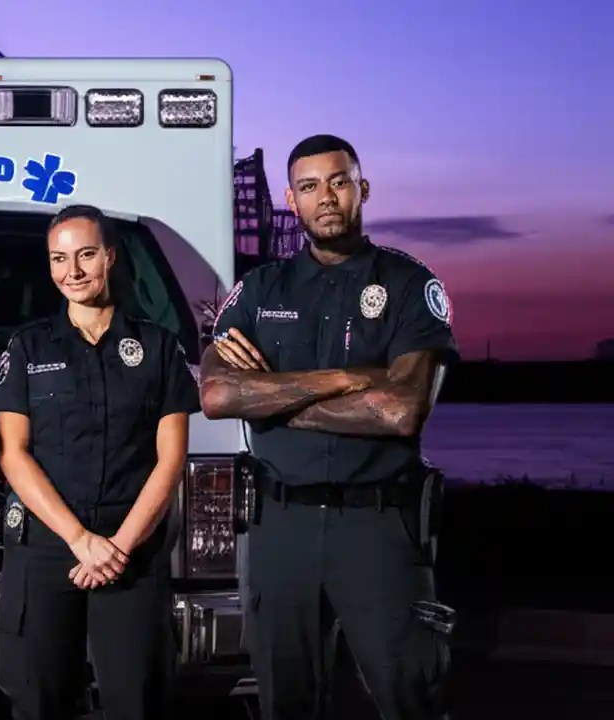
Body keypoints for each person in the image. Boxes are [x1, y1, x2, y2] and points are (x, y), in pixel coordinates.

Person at [200, 134, 459, 720]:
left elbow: (400, 411)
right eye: (309, 186)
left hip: (378, 528)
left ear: (362, 189)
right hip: (279, 528)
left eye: (339, 182)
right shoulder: (259, 290)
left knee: (409, 697)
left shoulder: (409, 285)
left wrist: (269, 398)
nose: (326, 197)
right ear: (291, 200)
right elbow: (217, 395)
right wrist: (345, 378)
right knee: (285, 701)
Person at [0, 204, 199, 720]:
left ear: (110, 257)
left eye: (86, 255)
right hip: (47, 547)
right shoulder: (28, 348)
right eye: (59, 259)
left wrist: (118, 547)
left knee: (138, 699)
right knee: (38, 697)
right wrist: (80, 540)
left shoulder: (158, 348)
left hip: (132, 551)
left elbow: (170, 460)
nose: (72, 271)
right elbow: (13, 454)